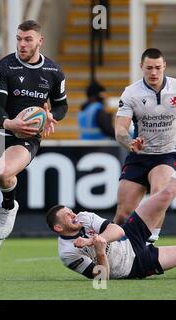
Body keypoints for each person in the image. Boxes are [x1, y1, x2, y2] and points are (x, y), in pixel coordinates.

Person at [0, 20, 68, 268]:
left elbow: (61, 104)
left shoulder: (54, 72)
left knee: (4, 171)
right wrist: (10, 123)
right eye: (19, 39)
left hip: (26, 138)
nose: (22, 44)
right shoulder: (5, 67)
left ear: (40, 41)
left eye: (27, 39)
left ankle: (9, 205)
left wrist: (52, 115)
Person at [46, 170, 176, 280]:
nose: (73, 215)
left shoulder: (83, 217)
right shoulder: (67, 253)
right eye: (67, 216)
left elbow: (118, 231)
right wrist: (100, 251)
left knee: (166, 194)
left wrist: (91, 240)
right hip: (134, 264)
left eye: (71, 211)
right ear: (58, 228)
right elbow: (101, 278)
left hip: (130, 236)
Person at [114, 48, 176, 242]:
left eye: (158, 67)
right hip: (139, 155)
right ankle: (111, 250)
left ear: (164, 66)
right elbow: (120, 130)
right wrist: (129, 143)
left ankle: (149, 244)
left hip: (168, 154)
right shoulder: (131, 93)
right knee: (124, 214)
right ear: (141, 67)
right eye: (149, 68)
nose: (154, 73)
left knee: (160, 193)